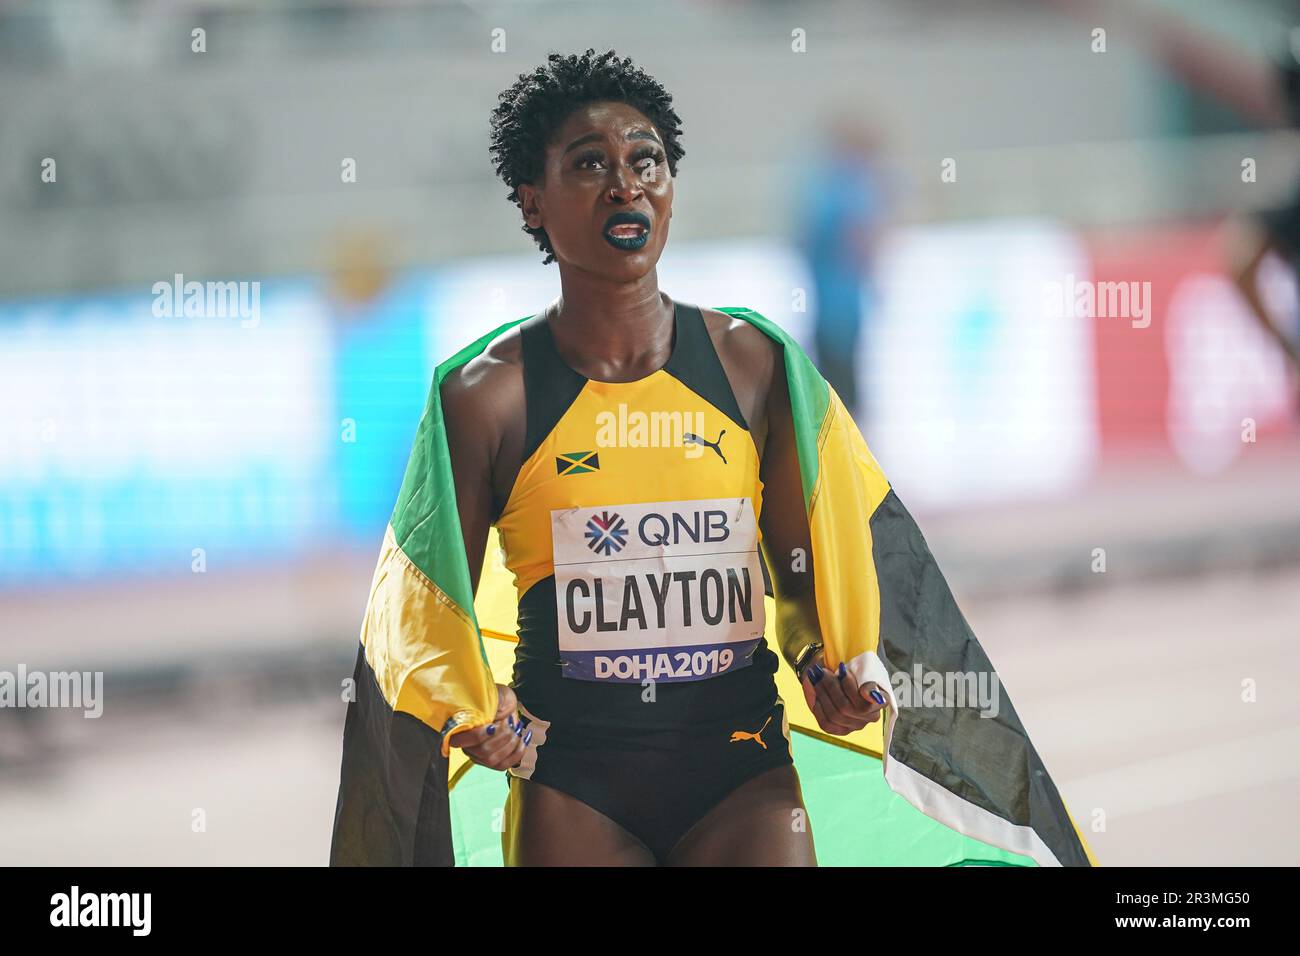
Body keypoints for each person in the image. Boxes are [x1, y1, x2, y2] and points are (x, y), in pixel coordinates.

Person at [437, 49, 886, 865]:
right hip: (572, 785)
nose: (626, 184)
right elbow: (437, 611)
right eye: (589, 165)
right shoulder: (485, 396)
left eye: (647, 160)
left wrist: (820, 657)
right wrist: (474, 704)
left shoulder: (755, 366)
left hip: (743, 774)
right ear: (532, 202)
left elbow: (792, 580)